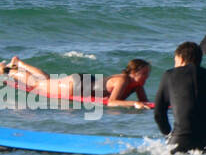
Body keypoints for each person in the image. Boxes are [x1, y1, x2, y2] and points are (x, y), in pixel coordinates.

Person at [3, 56, 150, 106]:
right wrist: (134, 103)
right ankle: (6, 71)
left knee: (45, 80)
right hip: (77, 85)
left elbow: (146, 103)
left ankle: (19, 63)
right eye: (143, 73)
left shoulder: (137, 85)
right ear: (133, 73)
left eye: (147, 74)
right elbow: (112, 103)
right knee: (38, 84)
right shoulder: (123, 80)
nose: (146, 77)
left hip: (83, 82)